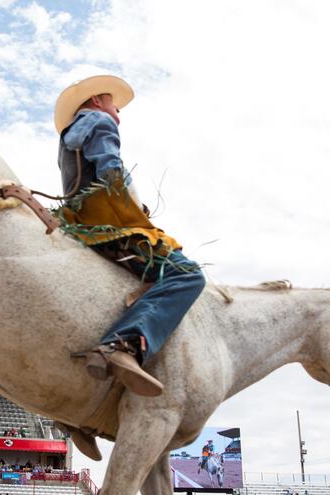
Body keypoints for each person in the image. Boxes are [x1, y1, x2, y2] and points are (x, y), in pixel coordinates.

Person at [54, 75, 205, 397]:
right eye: (115, 106)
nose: (118, 114)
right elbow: (110, 169)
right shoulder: (98, 120)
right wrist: (132, 207)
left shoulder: (68, 136)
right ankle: (123, 345)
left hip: (81, 224)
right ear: (97, 101)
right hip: (110, 225)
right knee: (187, 274)